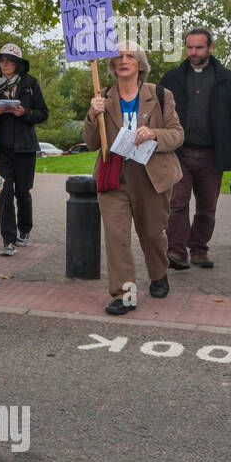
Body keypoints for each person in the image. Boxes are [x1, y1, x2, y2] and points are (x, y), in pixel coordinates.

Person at [84, 42, 183, 315]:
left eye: (130, 56)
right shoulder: (102, 96)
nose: (124, 60)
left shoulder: (161, 95)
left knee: (152, 234)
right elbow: (91, 142)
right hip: (114, 175)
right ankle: (123, 294)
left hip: (151, 175)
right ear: (113, 65)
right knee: (117, 237)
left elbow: (177, 134)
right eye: (119, 56)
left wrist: (154, 134)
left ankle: (159, 273)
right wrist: (93, 114)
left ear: (140, 64)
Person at [160, 27, 231, 269]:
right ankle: (176, 252)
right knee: (176, 203)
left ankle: (199, 248)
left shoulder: (227, 78)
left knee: (207, 207)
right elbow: (158, 114)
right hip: (179, 153)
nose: (194, 52)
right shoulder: (172, 79)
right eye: (189, 47)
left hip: (212, 154)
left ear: (210, 47)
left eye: (199, 47)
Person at [0, 43, 49, 256]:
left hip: (25, 148)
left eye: (9, 61)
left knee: (23, 193)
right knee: (4, 194)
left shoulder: (30, 84)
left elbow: (43, 113)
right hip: (1, 150)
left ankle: (25, 229)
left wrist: (25, 112)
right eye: (2, 60)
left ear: (18, 64)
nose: (5, 64)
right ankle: (8, 240)